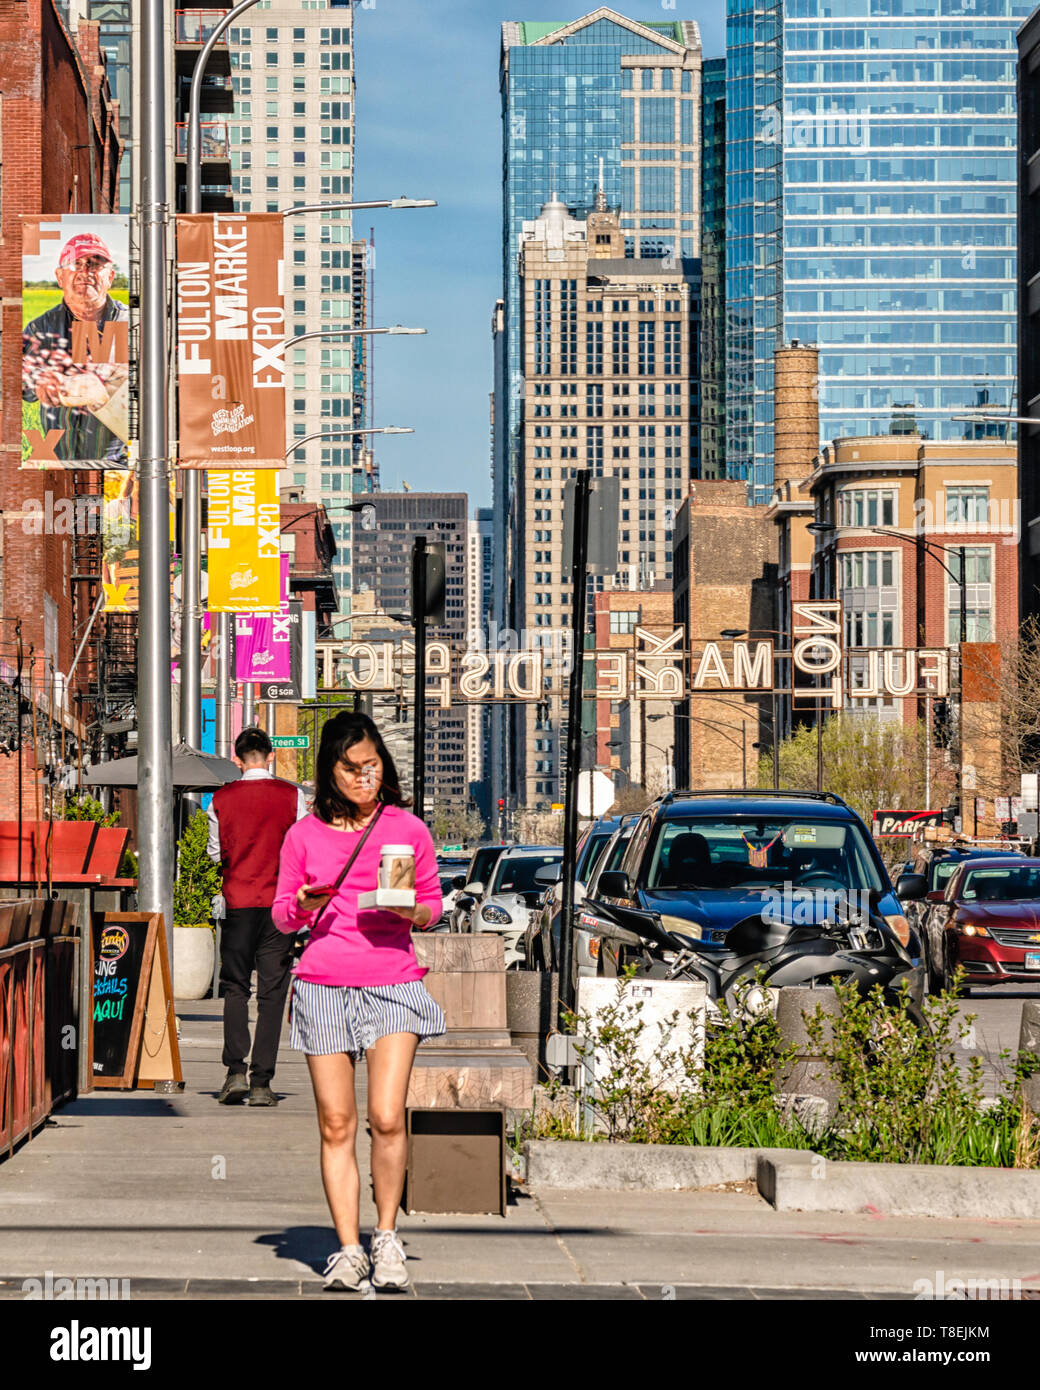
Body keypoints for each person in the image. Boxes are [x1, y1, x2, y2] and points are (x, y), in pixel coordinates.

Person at [272, 711, 444, 1294]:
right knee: (336, 1123)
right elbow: (281, 916)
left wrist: (412, 911)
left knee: (387, 1116)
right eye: (351, 769)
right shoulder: (303, 836)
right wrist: (302, 904)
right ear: (331, 771)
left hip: (392, 981)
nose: (363, 778)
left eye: (371, 765)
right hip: (323, 984)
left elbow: (433, 906)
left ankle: (386, 1235)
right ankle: (349, 1249)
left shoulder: (407, 828)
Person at [208, 726, 307, 1106]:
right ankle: (262, 1083)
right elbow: (303, 847)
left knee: (235, 987)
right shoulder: (293, 796)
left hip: (238, 902)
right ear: (271, 756)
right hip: (279, 905)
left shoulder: (221, 798)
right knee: (272, 992)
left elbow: (215, 853)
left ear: (237, 759)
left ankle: (235, 1071)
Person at [22, 231, 129, 465]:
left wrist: (119, 379)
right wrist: (38, 380)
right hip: (61, 461)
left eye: (94, 264)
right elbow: (10, 376)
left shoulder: (134, 324)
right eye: (75, 264)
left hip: (120, 463)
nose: (85, 271)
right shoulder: (41, 328)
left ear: (110, 277)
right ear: (60, 277)